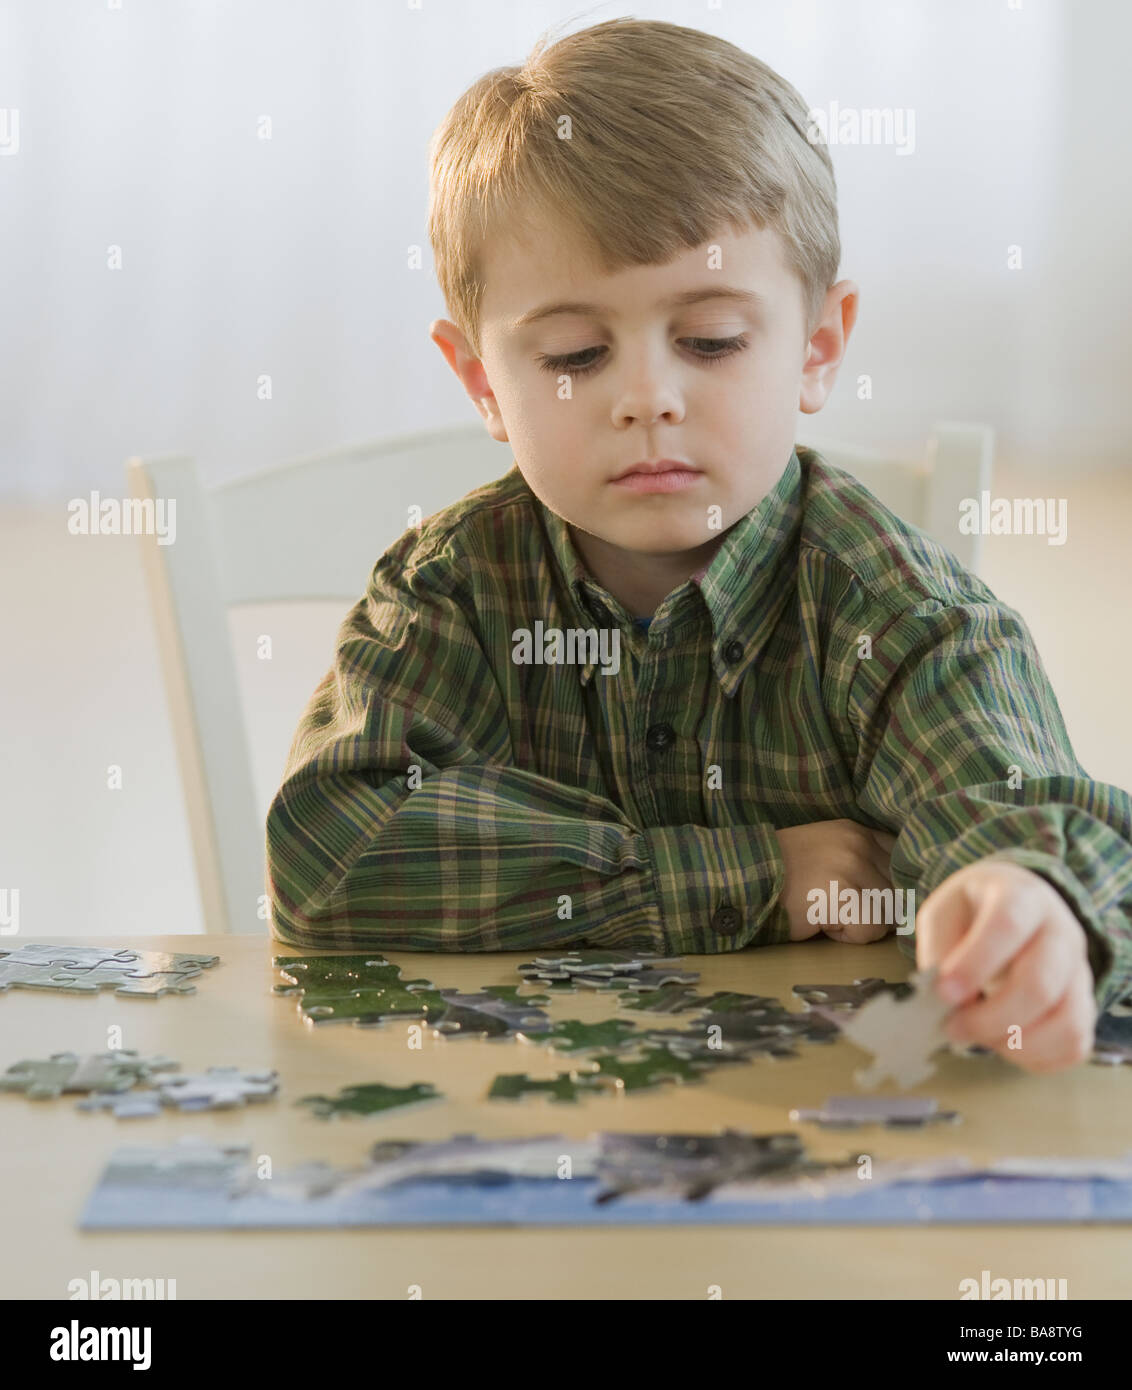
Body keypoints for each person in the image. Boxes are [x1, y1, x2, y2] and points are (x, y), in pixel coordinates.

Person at [266, 18, 1132, 1074]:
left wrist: (1028, 901)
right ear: (484, 382)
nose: (647, 400)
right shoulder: (449, 590)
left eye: (710, 340)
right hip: (524, 1143)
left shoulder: (900, 613)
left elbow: (1026, 818)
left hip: (822, 1152)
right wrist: (758, 873)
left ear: (817, 348)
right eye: (576, 354)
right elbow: (332, 849)